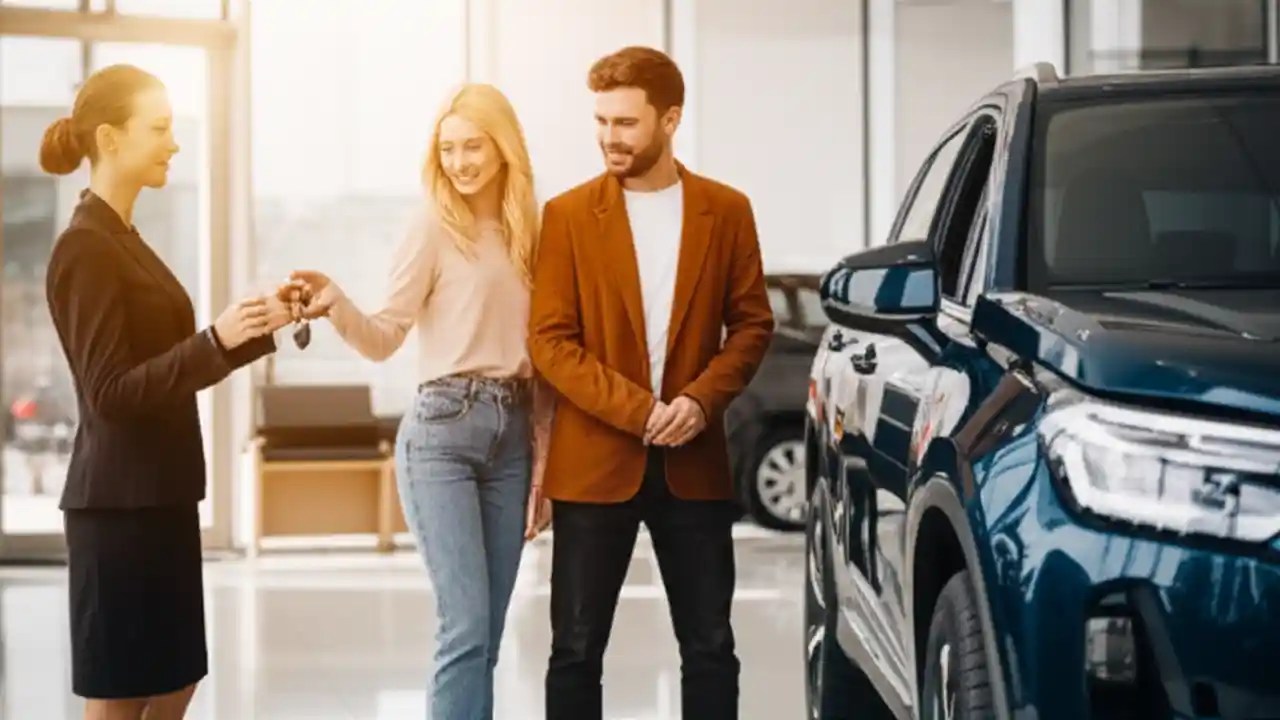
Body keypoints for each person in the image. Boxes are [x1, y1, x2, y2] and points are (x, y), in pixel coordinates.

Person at [286, 82, 553, 720]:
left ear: (504, 146)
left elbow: (546, 356)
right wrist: (339, 305)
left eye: (473, 147)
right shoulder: (434, 224)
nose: (459, 162)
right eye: (448, 149)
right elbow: (384, 337)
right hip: (443, 431)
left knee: (486, 635)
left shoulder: (531, 230)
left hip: (515, 433)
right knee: (464, 628)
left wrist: (545, 455)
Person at [40, 64, 297, 720]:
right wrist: (214, 339)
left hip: (161, 496)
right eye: (159, 129)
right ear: (110, 138)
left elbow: (169, 363)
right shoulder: (85, 248)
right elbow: (111, 392)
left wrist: (255, 326)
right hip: (119, 509)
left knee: (176, 679)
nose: (173, 144)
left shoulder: (124, 239)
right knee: (123, 697)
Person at [528, 46, 775, 720]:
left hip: (694, 465)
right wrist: (642, 413)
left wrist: (699, 402)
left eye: (626, 123)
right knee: (575, 651)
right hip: (595, 464)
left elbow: (752, 325)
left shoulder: (725, 211)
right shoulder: (569, 215)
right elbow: (549, 341)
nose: (610, 137)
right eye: (602, 121)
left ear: (670, 119)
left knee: (710, 646)